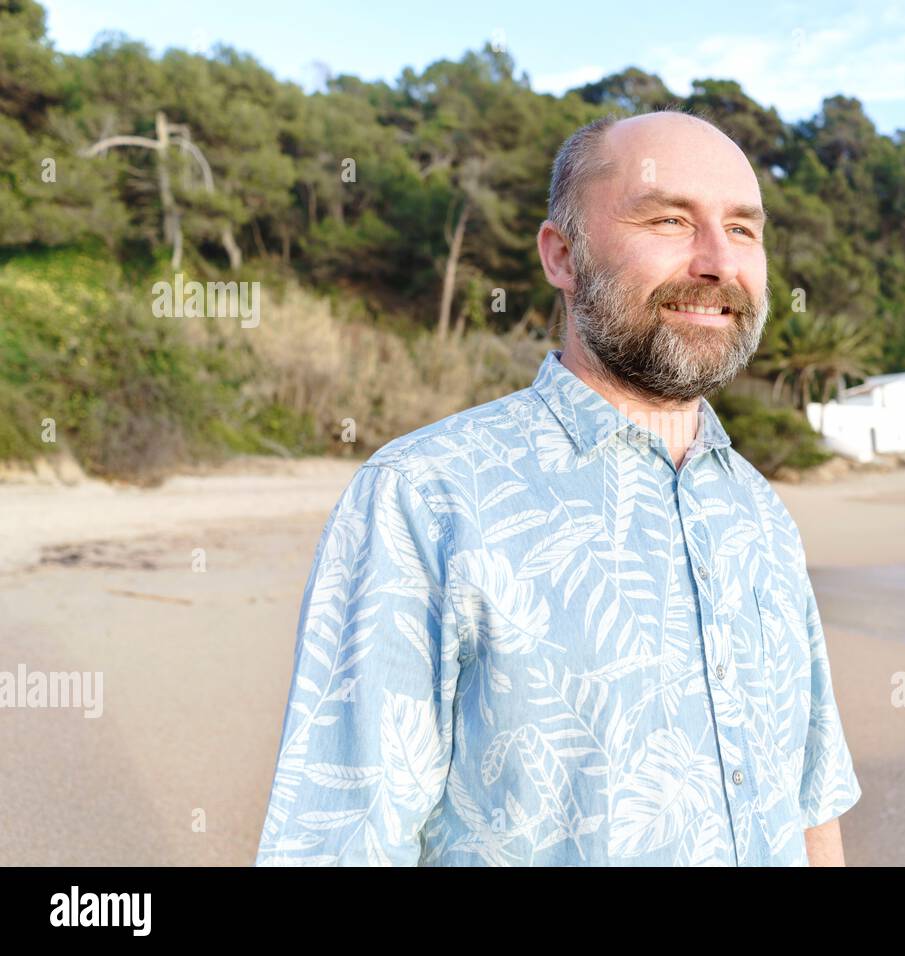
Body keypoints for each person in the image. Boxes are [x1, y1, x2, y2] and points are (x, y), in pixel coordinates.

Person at [253, 107, 861, 866]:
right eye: (670, 219)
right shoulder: (426, 498)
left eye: (743, 229)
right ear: (562, 256)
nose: (717, 261)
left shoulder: (760, 514)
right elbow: (340, 840)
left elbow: (811, 806)